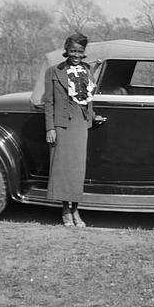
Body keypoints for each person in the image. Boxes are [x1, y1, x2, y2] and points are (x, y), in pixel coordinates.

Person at [43, 33, 97, 227]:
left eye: (80, 51)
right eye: (73, 50)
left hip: (80, 124)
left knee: (77, 169)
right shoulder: (54, 71)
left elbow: (87, 98)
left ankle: (76, 209)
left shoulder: (88, 70)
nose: (76, 54)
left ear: (84, 53)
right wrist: (50, 128)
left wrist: (91, 116)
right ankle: (66, 211)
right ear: (67, 51)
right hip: (62, 124)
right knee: (63, 169)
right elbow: (48, 102)